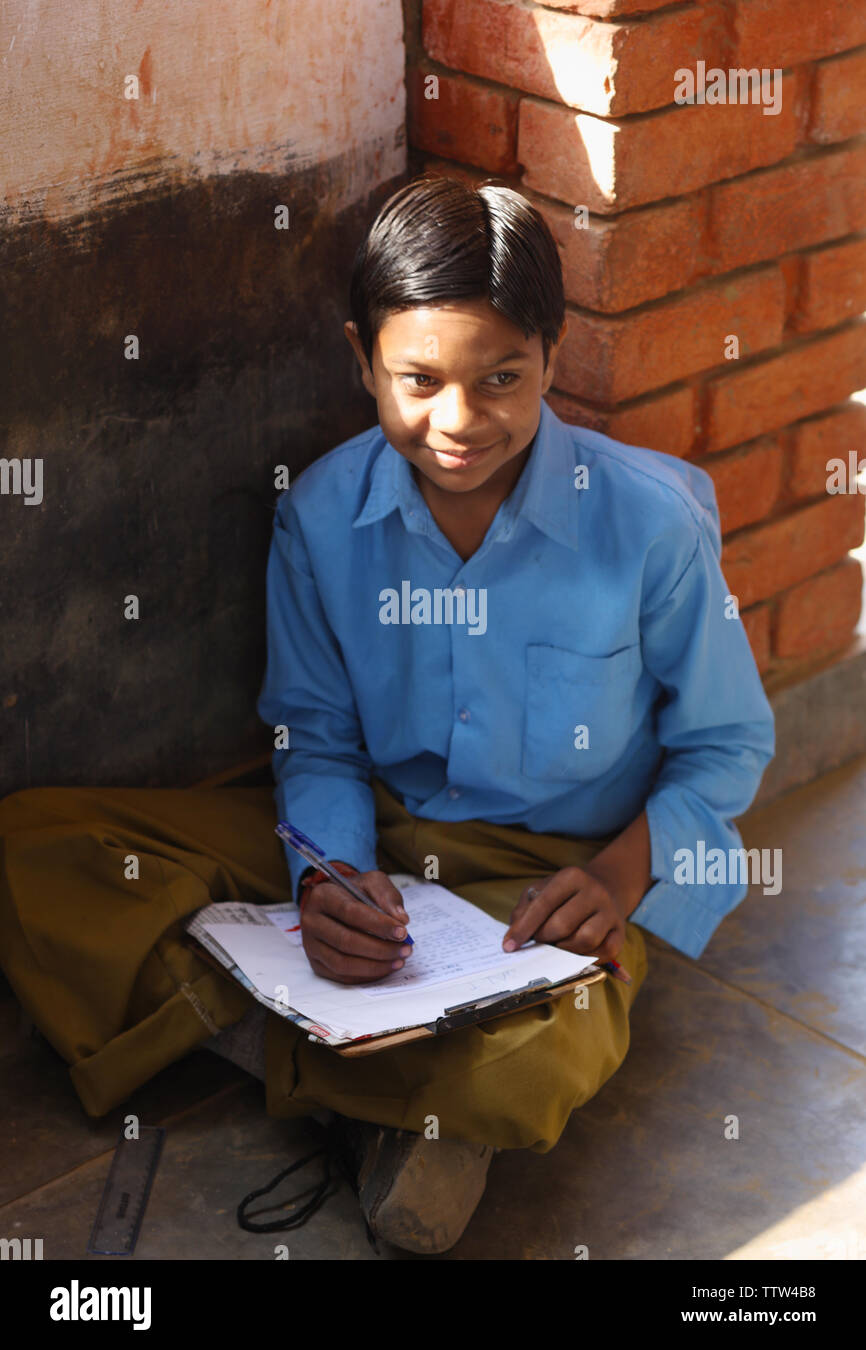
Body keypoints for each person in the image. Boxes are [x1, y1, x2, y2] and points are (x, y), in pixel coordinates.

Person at [0, 174, 775, 1257]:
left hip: (541, 876)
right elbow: (313, 739)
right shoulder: (322, 514)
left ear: (552, 356)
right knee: (33, 845)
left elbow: (725, 746)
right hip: (379, 834)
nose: (458, 421)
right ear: (361, 356)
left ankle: (260, 1033)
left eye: (502, 377)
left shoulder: (647, 526)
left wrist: (613, 880)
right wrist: (328, 875)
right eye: (417, 379)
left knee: (541, 1051)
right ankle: (398, 1096)